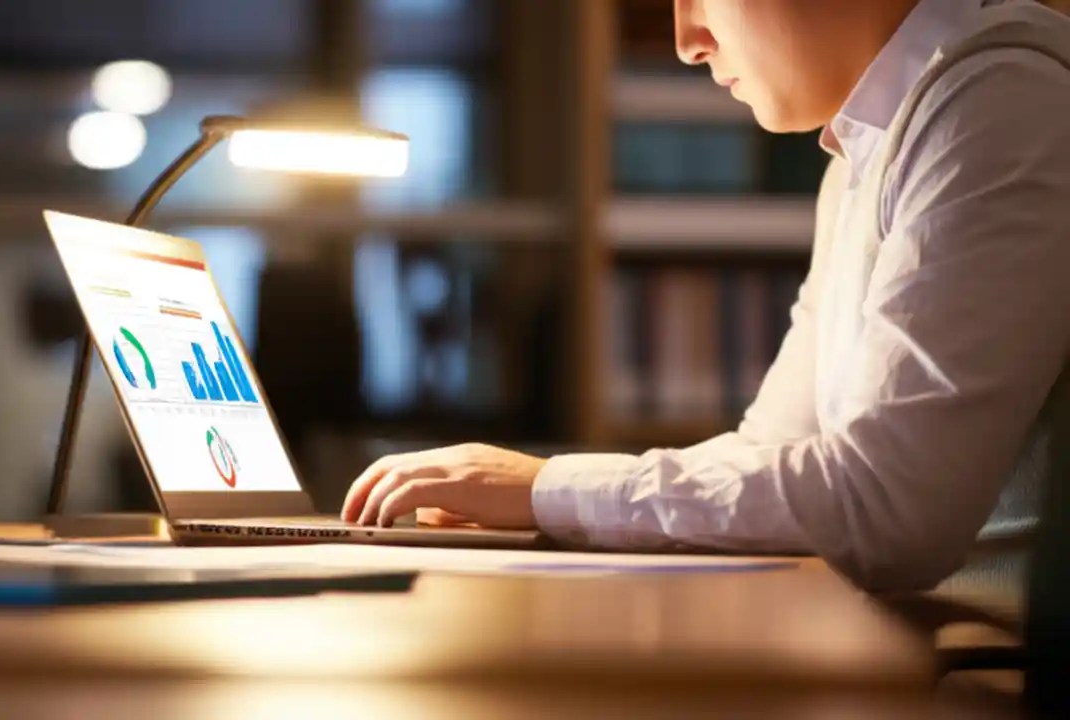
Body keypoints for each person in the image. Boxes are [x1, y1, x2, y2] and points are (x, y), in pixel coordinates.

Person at [342, 0, 1070, 592]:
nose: (688, 38)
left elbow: (883, 511)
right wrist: (543, 505)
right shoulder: (869, 149)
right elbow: (776, 451)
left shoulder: (1003, 104)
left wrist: (549, 490)